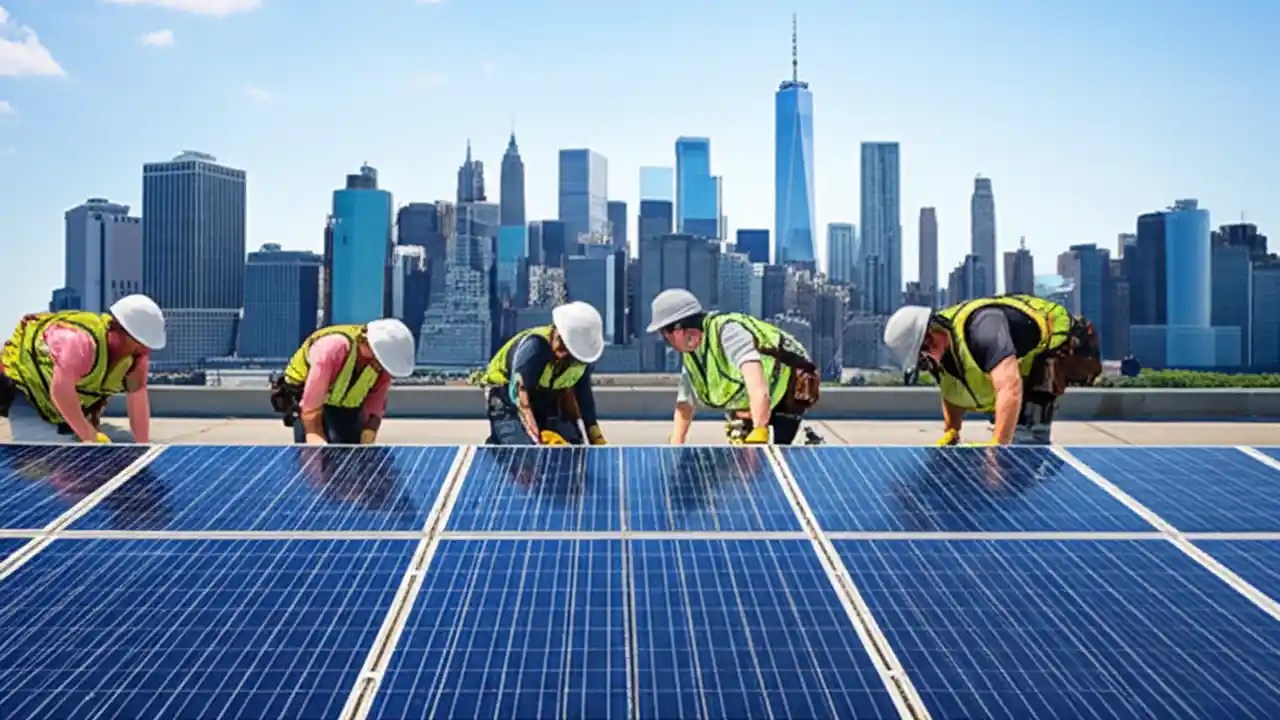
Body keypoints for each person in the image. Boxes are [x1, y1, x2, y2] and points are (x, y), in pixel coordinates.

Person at [883, 293, 1102, 446]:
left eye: (924, 354)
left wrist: (999, 447)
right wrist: (953, 430)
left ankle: (1036, 456)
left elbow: (1010, 389)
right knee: (1003, 419)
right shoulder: (939, 351)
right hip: (1009, 371)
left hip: (1051, 353)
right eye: (922, 361)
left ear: (931, 335)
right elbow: (952, 388)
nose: (926, 362)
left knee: (1023, 443)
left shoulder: (983, 330)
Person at [646, 288, 822, 446]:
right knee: (746, 463)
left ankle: (802, 437)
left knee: (780, 454)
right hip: (751, 400)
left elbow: (757, 386)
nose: (665, 341)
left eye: (664, 334)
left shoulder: (728, 333)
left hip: (789, 387)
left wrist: (760, 429)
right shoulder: (693, 355)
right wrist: (677, 443)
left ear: (679, 329)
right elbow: (685, 403)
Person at [0, 294, 167, 444]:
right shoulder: (80, 343)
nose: (145, 350)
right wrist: (90, 436)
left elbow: (137, 397)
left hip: (69, 404)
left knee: (118, 451)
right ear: (121, 331)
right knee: (45, 459)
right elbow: (60, 391)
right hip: (28, 395)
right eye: (140, 343)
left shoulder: (136, 356)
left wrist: (142, 447)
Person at [477, 301, 607, 446]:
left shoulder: (582, 361)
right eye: (561, 343)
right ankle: (501, 444)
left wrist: (594, 434)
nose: (562, 353)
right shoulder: (536, 347)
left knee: (570, 450)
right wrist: (536, 439)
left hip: (547, 397)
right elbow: (520, 396)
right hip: (507, 396)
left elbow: (584, 398)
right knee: (523, 452)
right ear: (556, 331)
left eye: (569, 351)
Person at [270, 318, 416, 445]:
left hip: (347, 407)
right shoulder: (332, 348)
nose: (381, 368)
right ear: (368, 345)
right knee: (317, 463)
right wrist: (314, 434)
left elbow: (377, 397)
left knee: (351, 458)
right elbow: (311, 402)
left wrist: (370, 428)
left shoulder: (381, 364)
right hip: (306, 400)